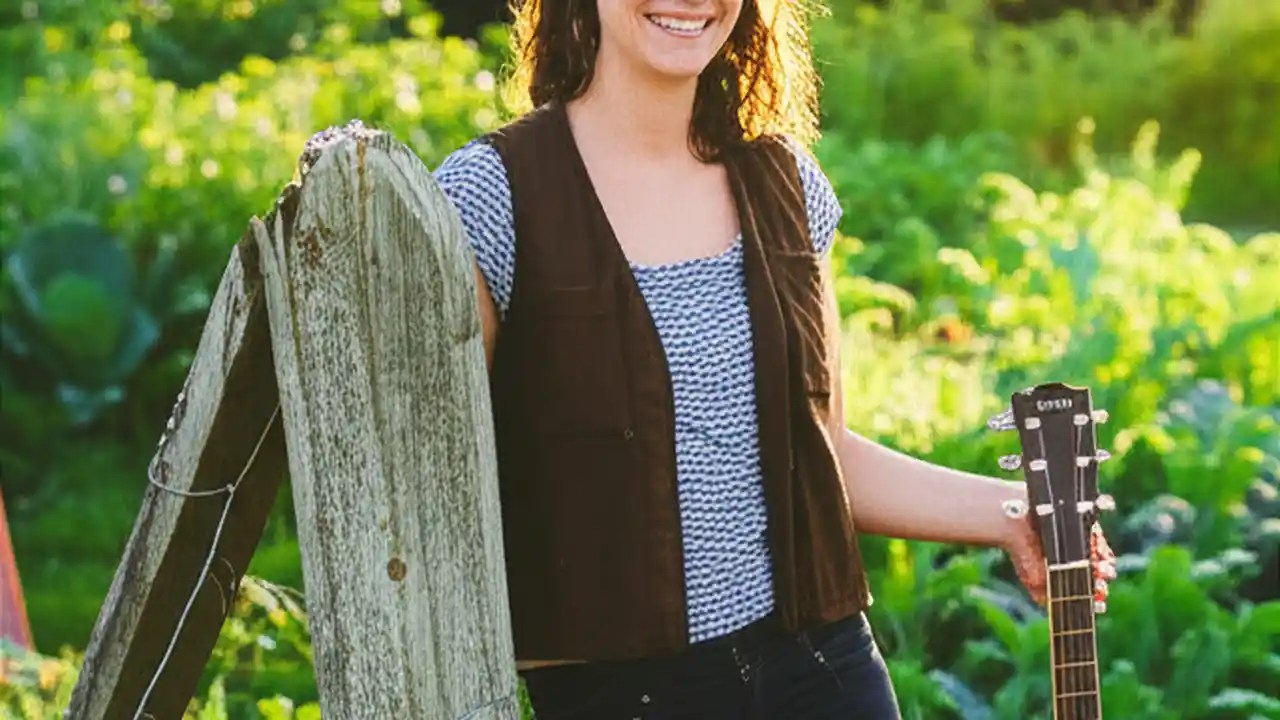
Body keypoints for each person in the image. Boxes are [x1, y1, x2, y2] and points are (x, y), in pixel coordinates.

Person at [432, 1, 1117, 717]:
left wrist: (1013, 512)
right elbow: (434, 500)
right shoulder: (491, 196)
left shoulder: (786, 184)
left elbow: (826, 456)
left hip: (824, 668)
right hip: (620, 693)